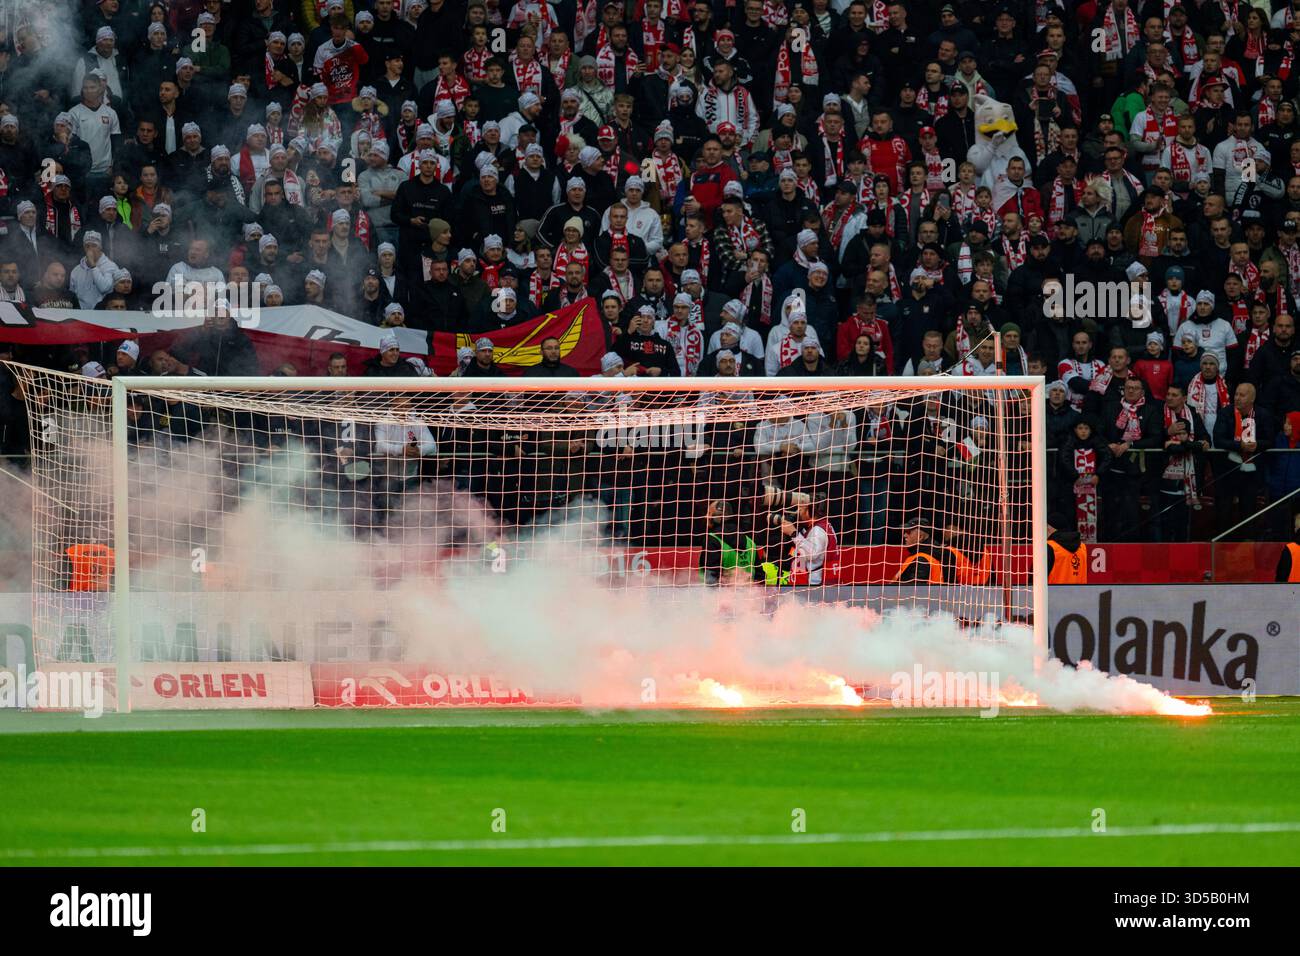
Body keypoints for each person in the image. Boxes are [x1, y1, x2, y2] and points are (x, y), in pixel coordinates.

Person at [893, 517, 943, 583]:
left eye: (908, 532)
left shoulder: (922, 559)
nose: (904, 535)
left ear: (920, 537)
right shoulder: (923, 554)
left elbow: (914, 590)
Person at [1045, 513, 1088, 584]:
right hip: (1079, 593)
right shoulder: (1082, 547)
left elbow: (1035, 578)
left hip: (1053, 593)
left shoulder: (1049, 547)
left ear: (1049, 528)